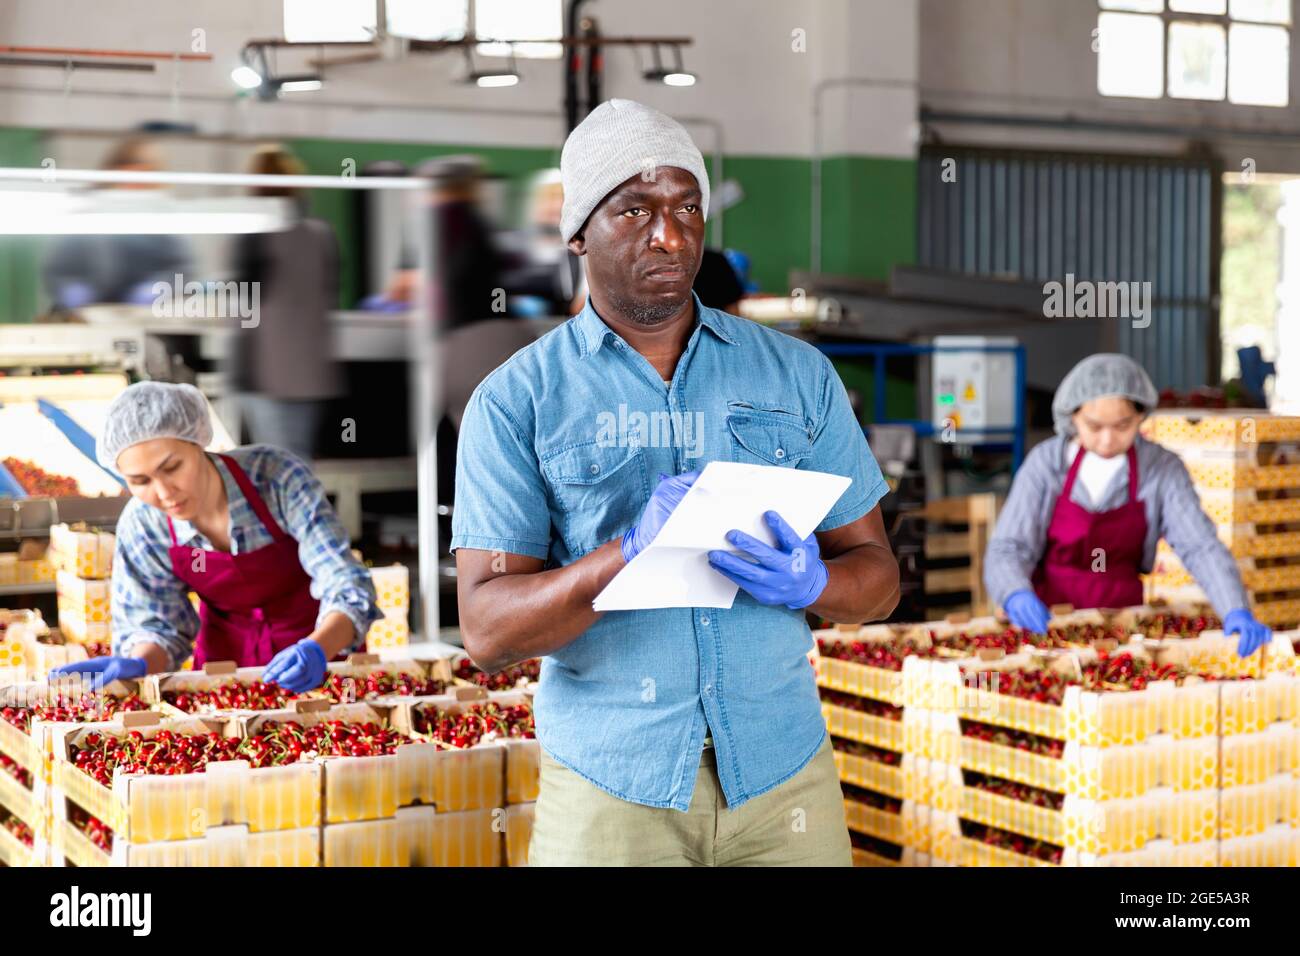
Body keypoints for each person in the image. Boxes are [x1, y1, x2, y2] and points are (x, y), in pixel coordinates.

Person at [451, 99, 899, 866]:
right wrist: (624, 556)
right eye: (636, 209)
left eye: (687, 206)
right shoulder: (516, 401)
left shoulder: (798, 376)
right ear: (579, 232)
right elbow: (489, 631)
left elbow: (880, 581)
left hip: (782, 779)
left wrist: (815, 582)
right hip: (612, 790)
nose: (670, 233)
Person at [50, 382, 381, 691]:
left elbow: (344, 584)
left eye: (172, 467)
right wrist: (139, 662)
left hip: (322, 654)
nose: (164, 493)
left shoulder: (276, 478)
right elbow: (160, 627)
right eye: (140, 481)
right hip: (224, 670)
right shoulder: (144, 525)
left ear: (198, 442)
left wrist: (317, 649)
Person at [985, 353, 1272, 657]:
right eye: (1094, 427)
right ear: (1072, 417)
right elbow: (1009, 547)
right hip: (1048, 623)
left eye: (1122, 426)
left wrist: (1234, 608)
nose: (1108, 440)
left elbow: (1200, 546)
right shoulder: (1046, 464)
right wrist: (1015, 593)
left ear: (1140, 416)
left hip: (1124, 628)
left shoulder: (1161, 469)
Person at [228, 144, 343, 460]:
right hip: (310, 373)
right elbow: (330, 292)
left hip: (267, 374)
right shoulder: (321, 235)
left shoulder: (254, 234)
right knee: (296, 462)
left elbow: (245, 306)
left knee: (276, 466)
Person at [42, 136, 192, 311]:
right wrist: (71, 290)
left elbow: (184, 269)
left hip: (147, 315)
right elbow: (56, 270)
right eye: (129, 178)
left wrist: (157, 289)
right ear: (111, 175)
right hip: (84, 315)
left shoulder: (165, 217)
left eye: (143, 180)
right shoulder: (85, 213)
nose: (134, 187)